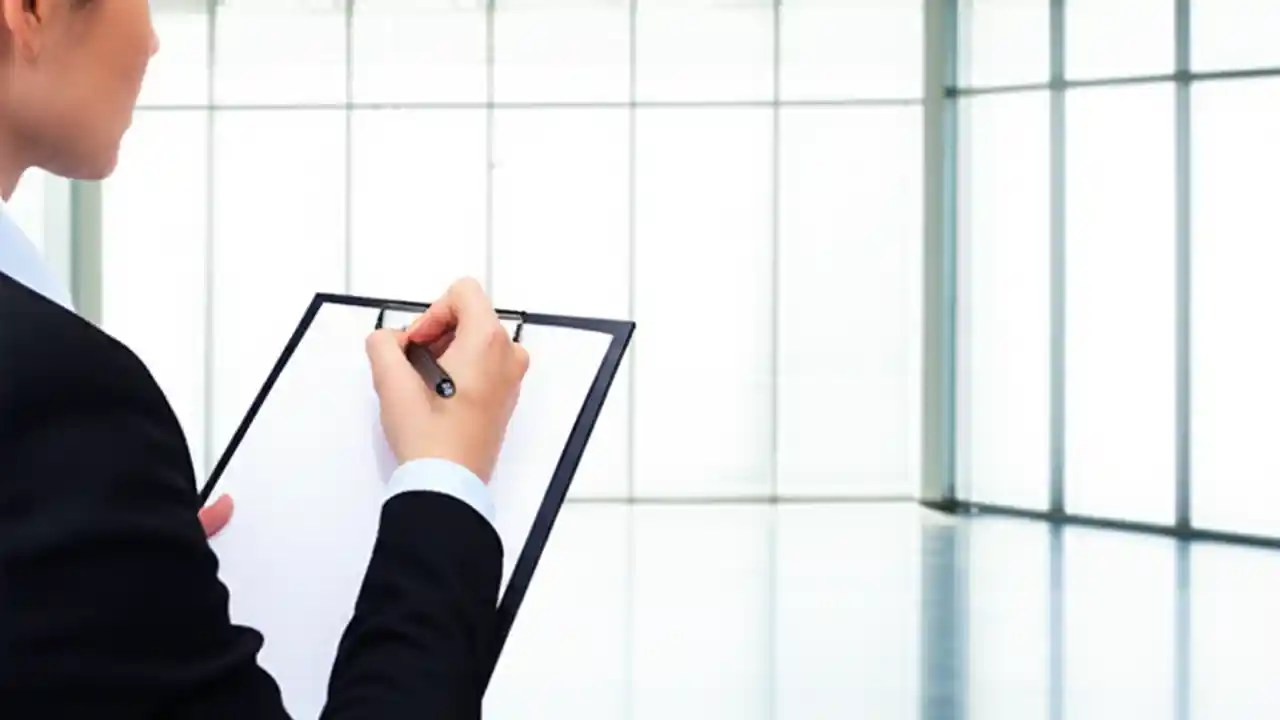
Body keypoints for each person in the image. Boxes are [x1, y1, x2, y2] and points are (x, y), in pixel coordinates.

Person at [0, 1, 529, 717]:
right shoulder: (62, 395)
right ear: (28, 12)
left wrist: (111, 552)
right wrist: (446, 481)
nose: (152, 40)